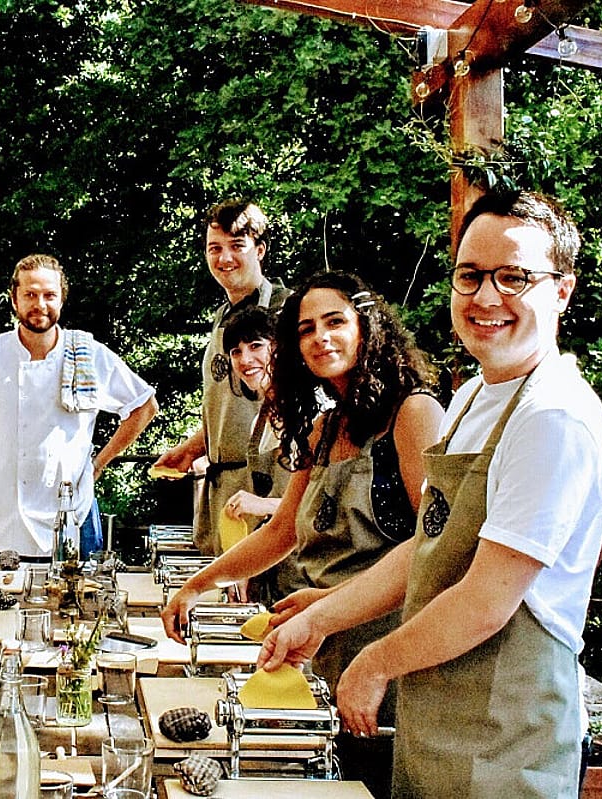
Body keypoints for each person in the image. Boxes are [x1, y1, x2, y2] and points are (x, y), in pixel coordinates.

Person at [257, 191, 602, 799]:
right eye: (470, 276)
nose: (486, 298)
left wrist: (375, 662)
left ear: (562, 290)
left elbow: (486, 601)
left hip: (504, 749)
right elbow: (426, 549)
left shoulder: (553, 415)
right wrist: (319, 618)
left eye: (514, 277)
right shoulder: (474, 397)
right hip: (439, 730)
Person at [162, 272, 444, 798]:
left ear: (368, 327)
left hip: (395, 661)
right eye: (305, 329)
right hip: (327, 651)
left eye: (335, 322)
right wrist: (197, 585)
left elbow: (434, 549)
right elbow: (281, 532)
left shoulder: (414, 413)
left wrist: (327, 604)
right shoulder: (323, 428)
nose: (320, 338)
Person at [0, 254, 157, 559]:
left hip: (71, 516)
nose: (40, 305)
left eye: (49, 295)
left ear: (61, 300)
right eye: (30, 294)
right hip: (2, 519)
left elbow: (144, 406)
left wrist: (98, 465)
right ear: (14, 299)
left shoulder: (88, 355)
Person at [152, 199, 291, 555]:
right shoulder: (221, 317)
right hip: (220, 487)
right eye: (215, 248)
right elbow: (228, 411)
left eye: (236, 246)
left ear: (260, 250)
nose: (224, 258)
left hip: (268, 489)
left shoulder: (288, 312)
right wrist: (191, 450)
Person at [217, 306, 303, 606]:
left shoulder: (314, 413)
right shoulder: (260, 420)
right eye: (236, 352)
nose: (245, 360)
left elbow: (327, 506)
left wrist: (264, 505)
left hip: (312, 578)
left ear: (279, 347)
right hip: (275, 577)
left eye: (256, 346)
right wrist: (241, 567)